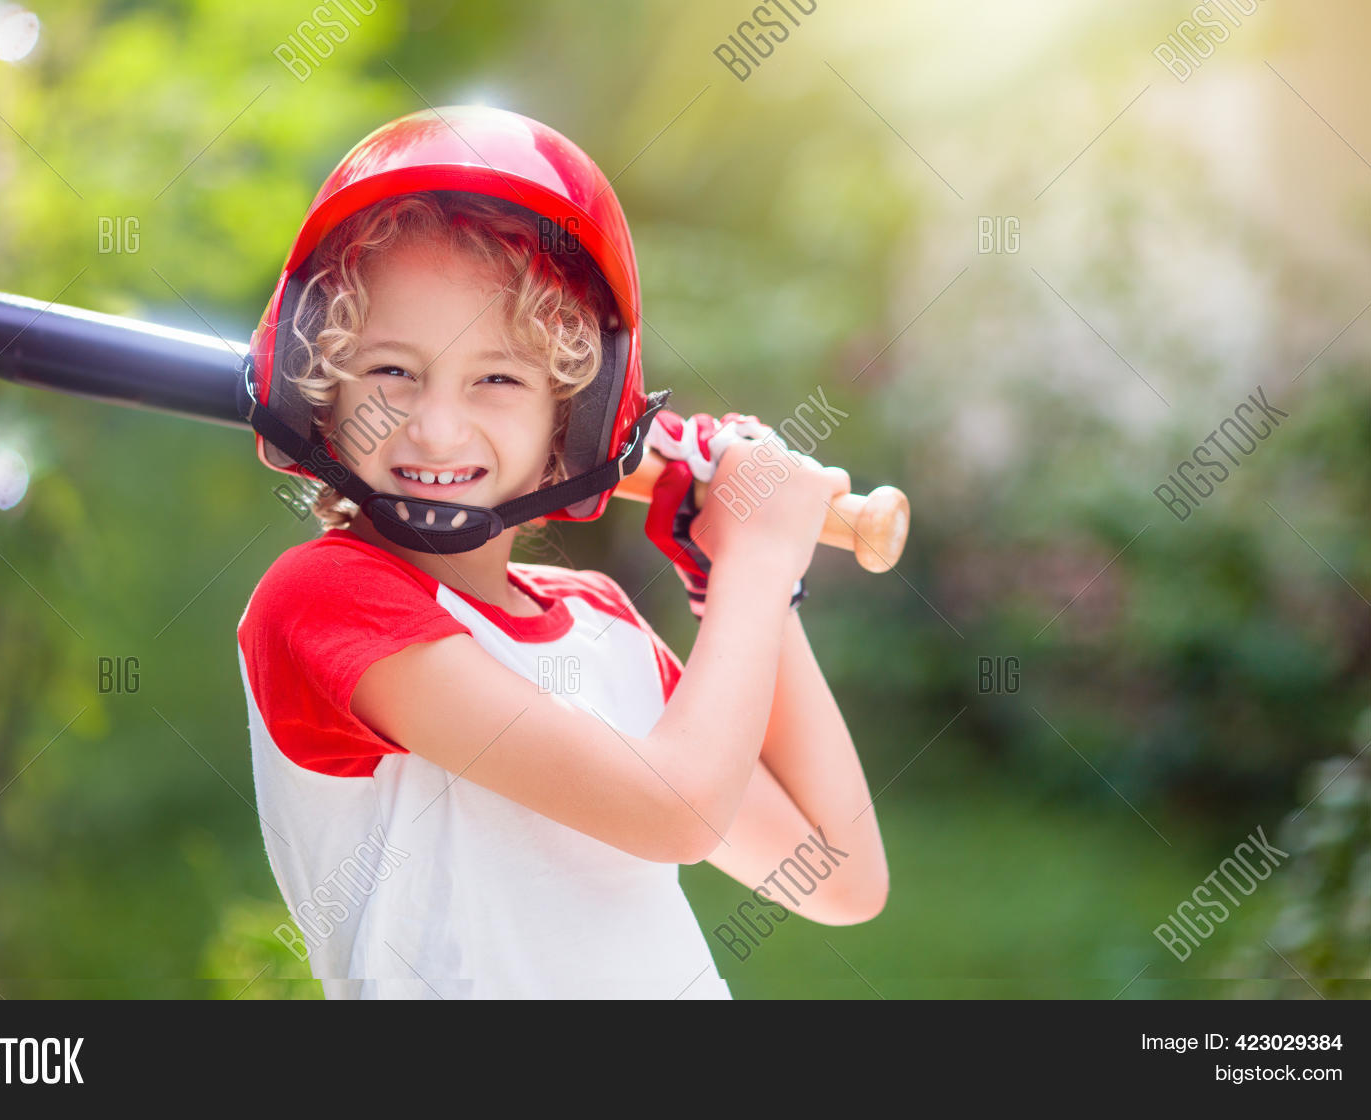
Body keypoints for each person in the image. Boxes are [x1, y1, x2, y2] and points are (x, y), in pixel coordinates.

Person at [235, 106, 888, 999]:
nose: (433, 424)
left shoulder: (600, 621)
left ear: (575, 415)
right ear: (318, 383)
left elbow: (838, 874)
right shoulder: (325, 597)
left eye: (497, 378)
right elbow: (677, 814)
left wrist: (748, 587)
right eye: (391, 369)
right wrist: (756, 562)